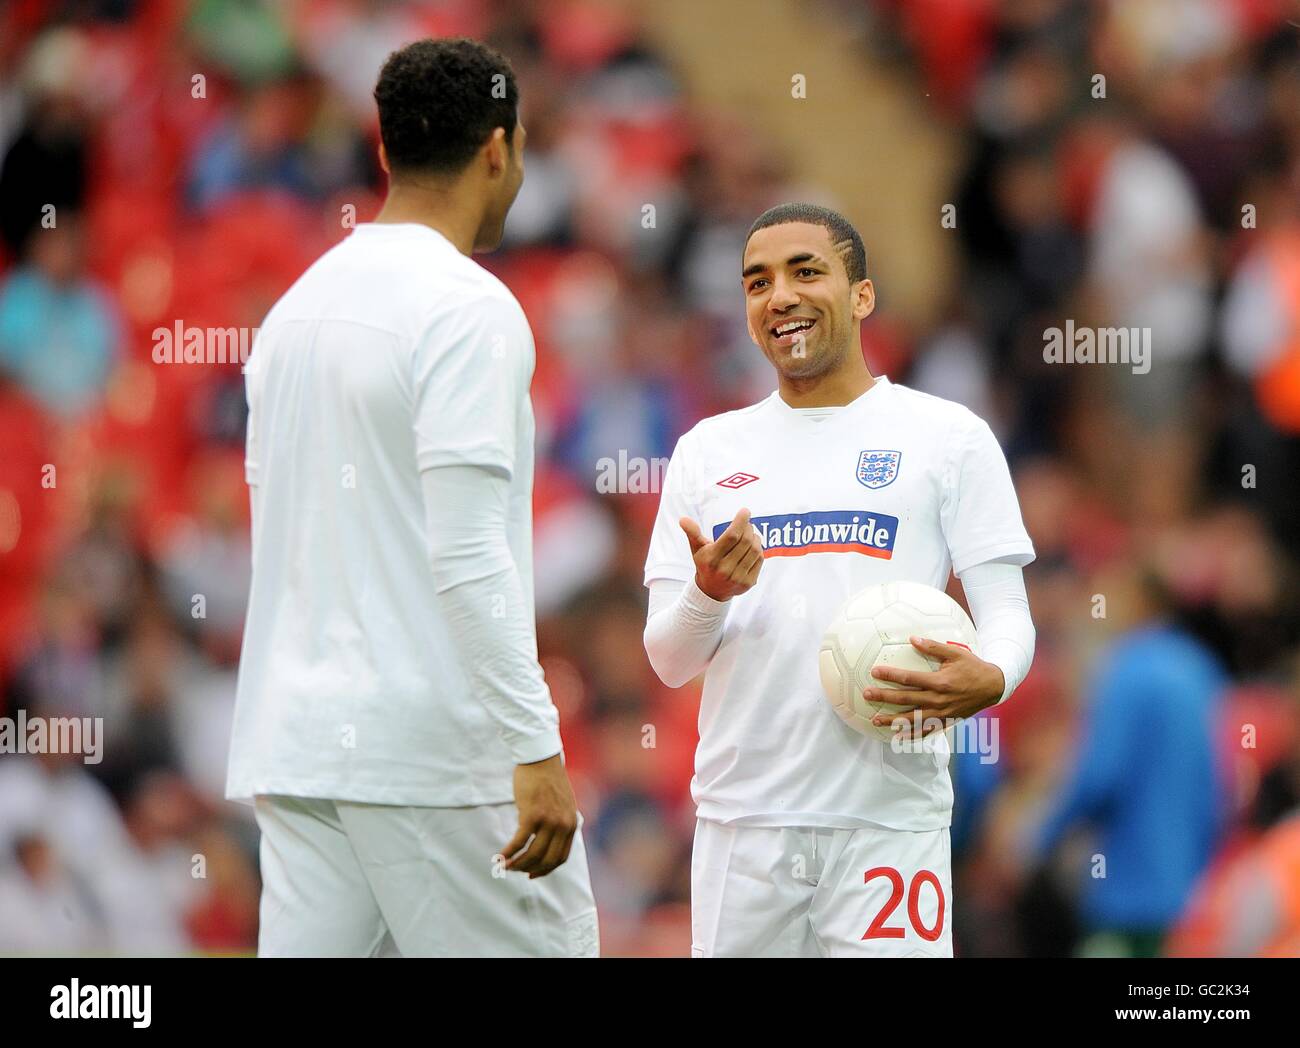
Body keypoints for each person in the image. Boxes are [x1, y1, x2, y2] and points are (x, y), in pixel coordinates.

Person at [225, 38, 597, 957]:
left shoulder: (294, 313)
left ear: (386, 152)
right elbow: (468, 555)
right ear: (500, 150)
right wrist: (535, 745)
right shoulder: (467, 307)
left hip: (301, 744)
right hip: (436, 758)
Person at [642, 203, 1036, 957]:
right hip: (742, 823)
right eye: (757, 282)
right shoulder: (706, 450)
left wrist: (992, 678)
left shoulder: (947, 438)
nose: (778, 296)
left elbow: (1006, 613)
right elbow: (669, 658)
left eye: (805, 271)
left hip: (889, 819)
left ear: (862, 296)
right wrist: (708, 594)